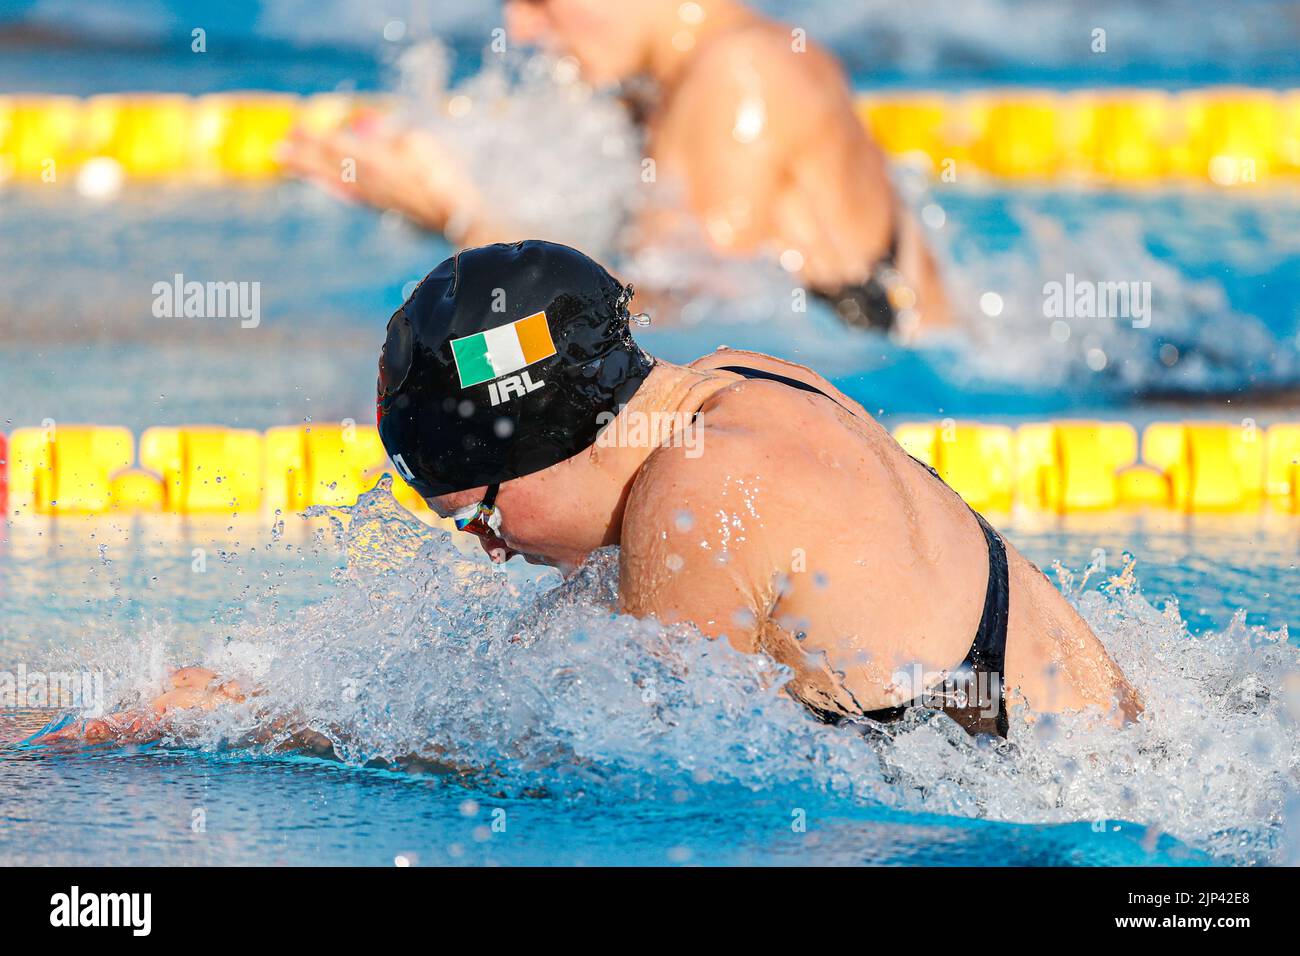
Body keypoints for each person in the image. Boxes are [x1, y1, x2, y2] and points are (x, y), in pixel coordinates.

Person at [48, 242, 1137, 747]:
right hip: (1105, 752)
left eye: (476, 511)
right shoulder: (741, 386)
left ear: (541, 447)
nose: (486, 548)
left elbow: (625, 761)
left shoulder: (695, 493)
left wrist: (269, 732)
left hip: (1047, 817)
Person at [281, 0, 951, 336]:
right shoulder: (665, 92)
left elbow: (653, 327)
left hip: (893, 394)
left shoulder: (742, 76)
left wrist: (463, 216)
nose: (520, 27)